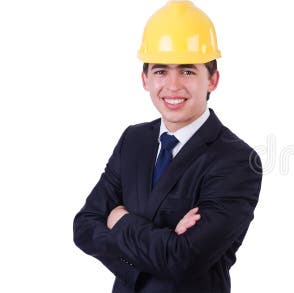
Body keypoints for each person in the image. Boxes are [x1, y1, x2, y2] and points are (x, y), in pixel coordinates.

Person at [73, 1, 262, 292]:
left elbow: (183, 259)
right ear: (144, 79)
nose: (172, 86)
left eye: (187, 72)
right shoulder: (133, 140)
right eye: (161, 71)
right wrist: (165, 240)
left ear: (212, 80)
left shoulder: (237, 160)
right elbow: (84, 227)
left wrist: (119, 219)